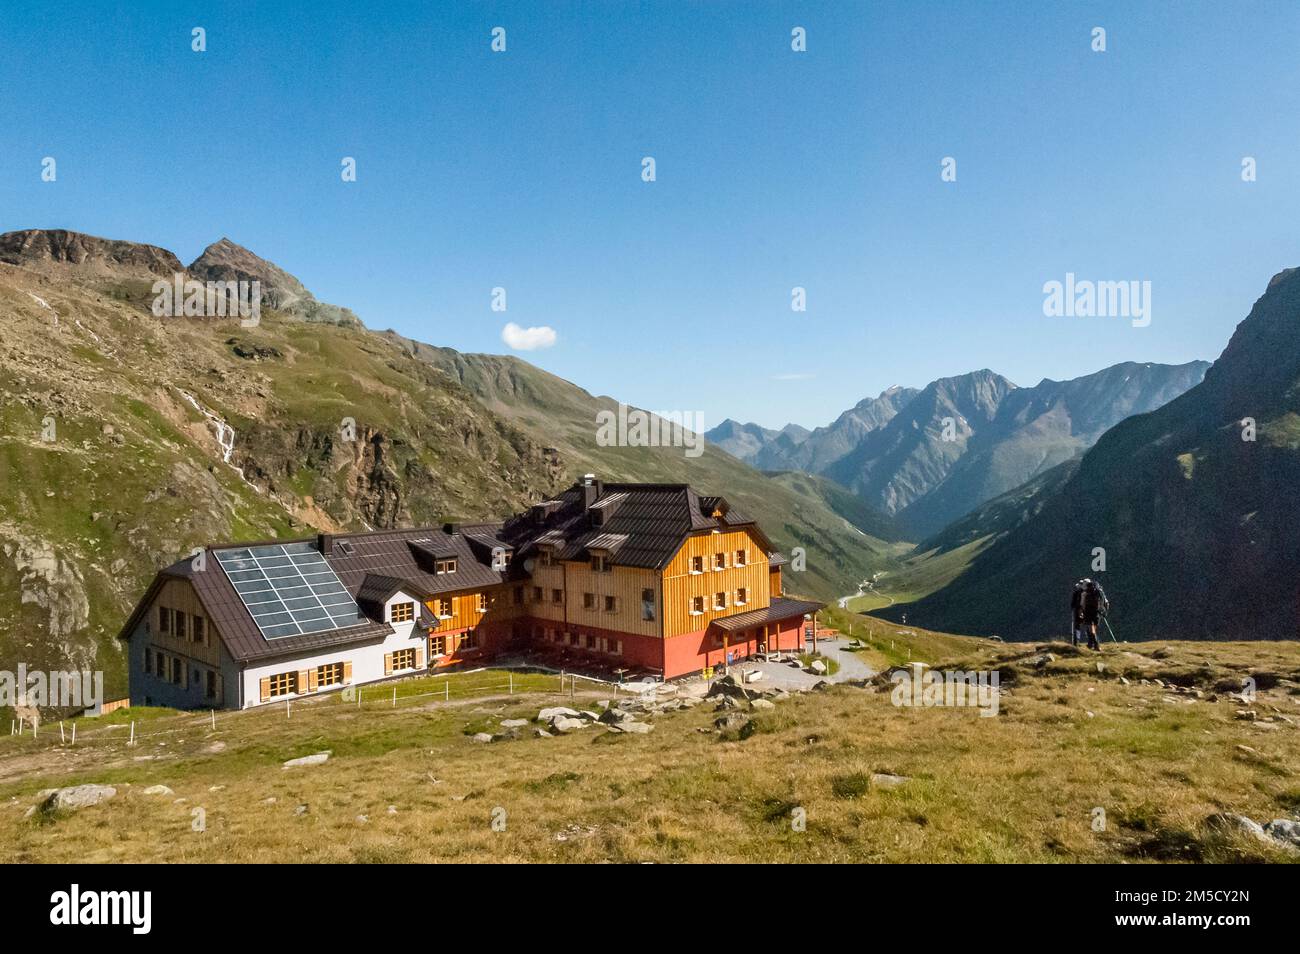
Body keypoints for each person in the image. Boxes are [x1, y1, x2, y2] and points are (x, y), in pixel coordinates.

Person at [1070, 578, 1110, 650]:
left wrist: (1080, 611)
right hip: (1097, 613)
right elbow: (1106, 602)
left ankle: (1095, 645)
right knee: (1092, 629)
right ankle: (1092, 644)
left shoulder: (1084, 593)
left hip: (1088, 613)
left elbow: (1082, 604)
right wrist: (1104, 611)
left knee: (1089, 629)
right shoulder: (1098, 591)